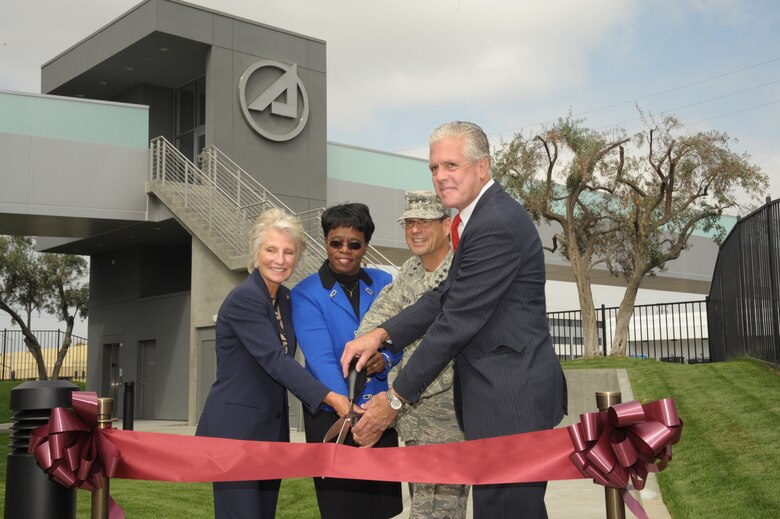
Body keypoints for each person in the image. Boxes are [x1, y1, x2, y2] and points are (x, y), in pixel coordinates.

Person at [342, 121, 567, 519]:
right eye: (433, 168)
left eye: (451, 165)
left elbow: (455, 322)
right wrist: (381, 333)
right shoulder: (475, 219)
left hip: (510, 402)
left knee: (508, 513)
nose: (441, 177)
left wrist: (394, 399)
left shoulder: (494, 222)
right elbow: (445, 296)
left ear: (483, 167)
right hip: (498, 399)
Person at [195, 208, 351, 519]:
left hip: (270, 433)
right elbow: (276, 361)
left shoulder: (286, 299)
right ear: (256, 252)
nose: (279, 259)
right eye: (271, 250)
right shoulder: (245, 299)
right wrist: (332, 398)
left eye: (288, 252)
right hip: (236, 434)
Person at [357, 190, 470, 519]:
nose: (415, 230)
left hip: (450, 419)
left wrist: (395, 393)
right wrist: (376, 349)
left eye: (424, 222)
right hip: (414, 420)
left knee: (441, 513)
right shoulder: (409, 270)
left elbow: (446, 352)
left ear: (446, 225)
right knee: (425, 509)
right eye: (409, 223)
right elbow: (374, 324)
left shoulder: (460, 271)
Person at [291, 202, 403, 519]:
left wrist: (386, 358)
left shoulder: (383, 283)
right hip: (332, 414)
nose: (345, 251)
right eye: (335, 242)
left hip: (379, 411)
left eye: (354, 244)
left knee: (382, 508)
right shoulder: (305, 293)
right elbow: (321, 358)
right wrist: (346, 407)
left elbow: (399, 336)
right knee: (341, 509)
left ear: (365, 245)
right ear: (325, 242)